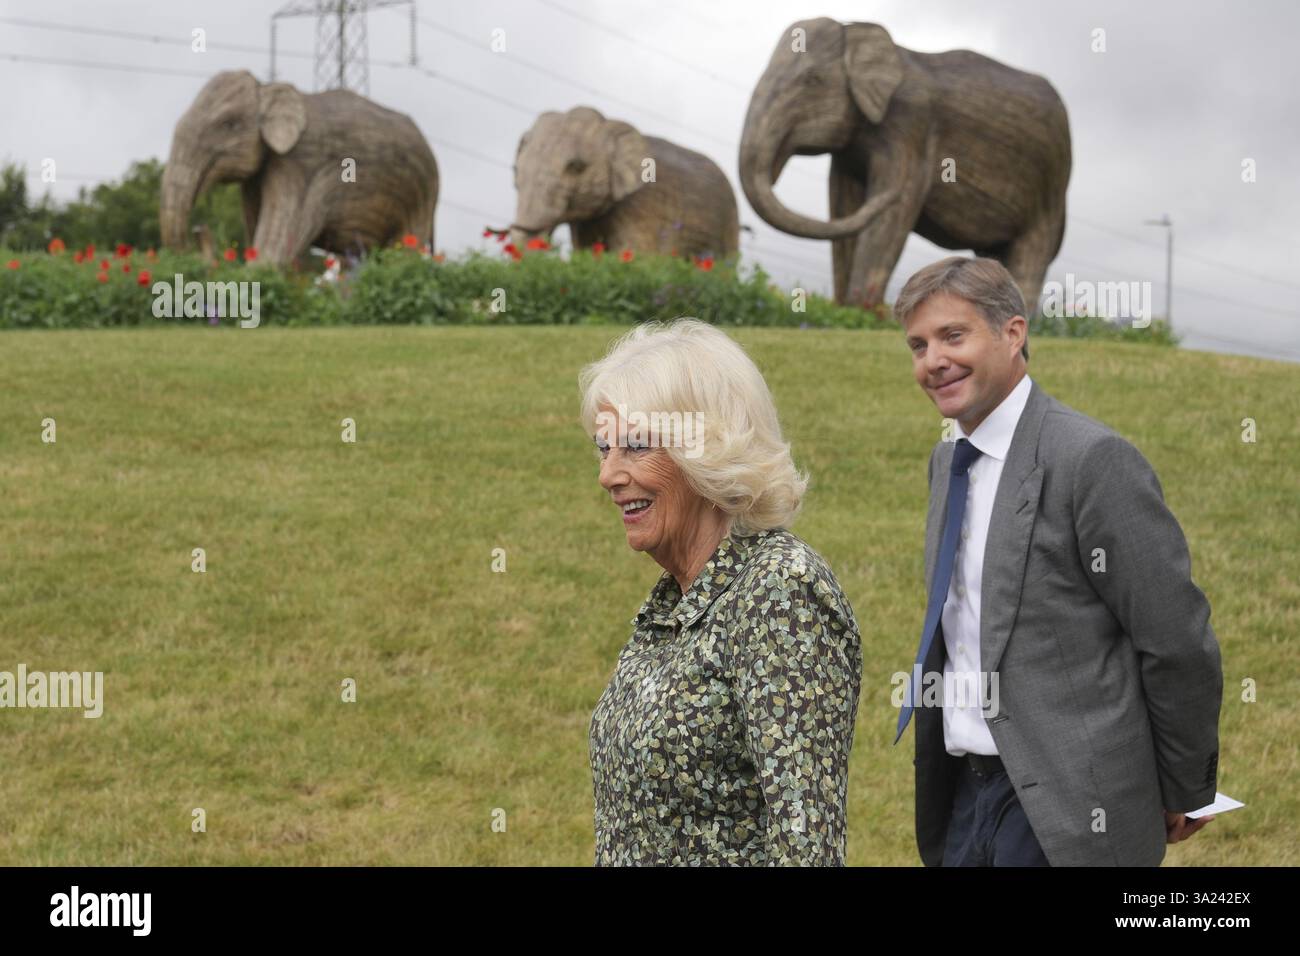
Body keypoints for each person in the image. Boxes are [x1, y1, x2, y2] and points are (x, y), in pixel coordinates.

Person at [893, 256, 1223, 866]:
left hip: (1068, 811)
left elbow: (1175, 638)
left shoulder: (1091, 459)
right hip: (964, 799)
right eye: (918, 344)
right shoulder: (947, 463)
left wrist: (1184, 785)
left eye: (952, 335)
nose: (932, 360)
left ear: (1013, 333)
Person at [581, 318, 862, 865]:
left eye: (636, 447)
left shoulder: (779, 592)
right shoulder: (674, 600)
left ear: (707, 450)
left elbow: (806, 844)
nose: (608, 475)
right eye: (603, 449)